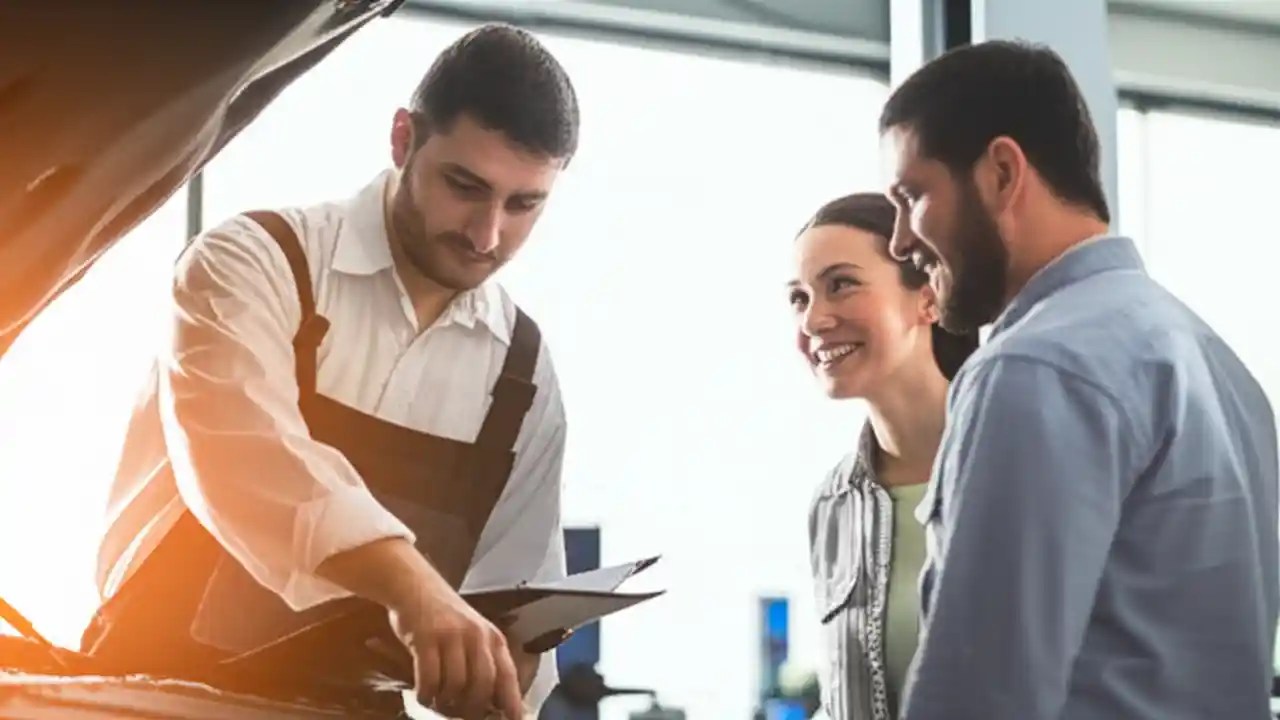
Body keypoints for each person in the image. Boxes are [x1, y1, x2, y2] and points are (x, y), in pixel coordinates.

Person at [81, 23, 579, 720]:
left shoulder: (522, 373)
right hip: (151, 696)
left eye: (524, 204)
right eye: (465, 186)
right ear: (403, 139)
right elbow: (250, 461)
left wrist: (501, 672)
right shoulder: (252, 262)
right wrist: (417, 591)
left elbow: (516, 602)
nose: (486, 234)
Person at [880, 40, 1280, 719]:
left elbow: (981, 697)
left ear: (1003, 172)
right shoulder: (1217, 364)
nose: (898, 241)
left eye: (912, 196)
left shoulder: (1034, 367)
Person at [791, 193, 978, 720]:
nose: (814, 321)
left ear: (929, 297)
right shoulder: (832, 502)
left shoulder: (1015, 466)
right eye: (799, 298)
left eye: (840, 285)